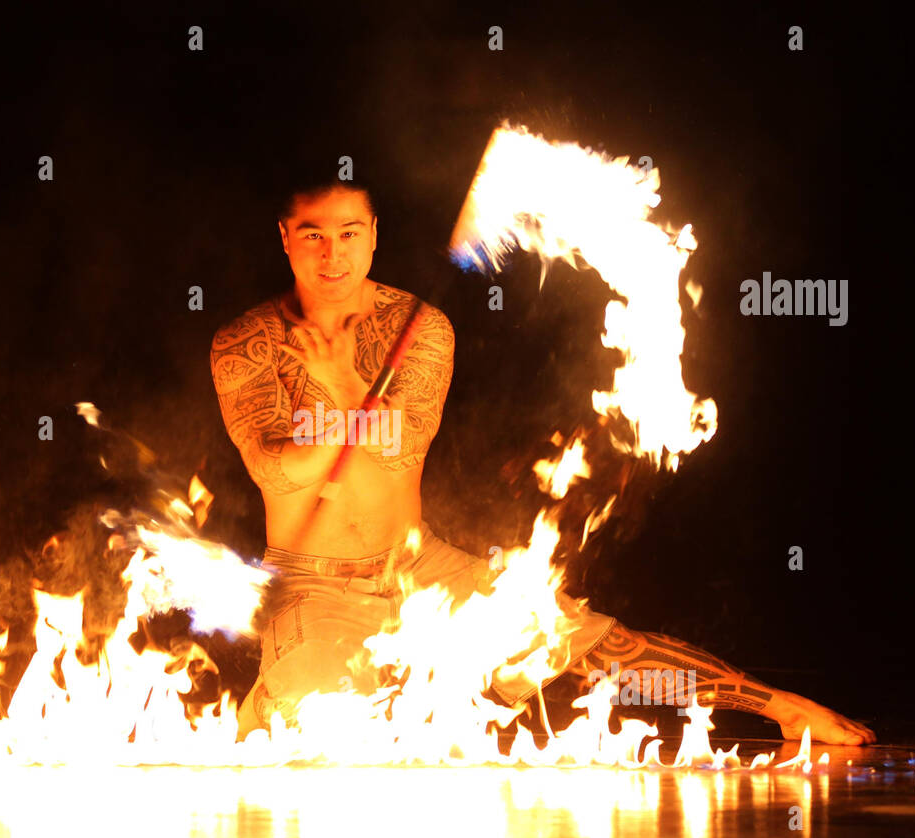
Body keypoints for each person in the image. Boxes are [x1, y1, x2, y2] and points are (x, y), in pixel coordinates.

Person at [209, 175, 876, 746]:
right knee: (321, 736)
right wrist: (350, 406)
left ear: (374, 234)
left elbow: (396, 449)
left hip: (416, 564)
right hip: (315, 585)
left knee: (587, 640)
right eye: (313, 234)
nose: (332, 253)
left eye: (348, 232)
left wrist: (344, 392)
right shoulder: (246, 343)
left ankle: (780, 709)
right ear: (285, 237)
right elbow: (276, 470)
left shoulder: (420, 326)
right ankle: (275, 699)